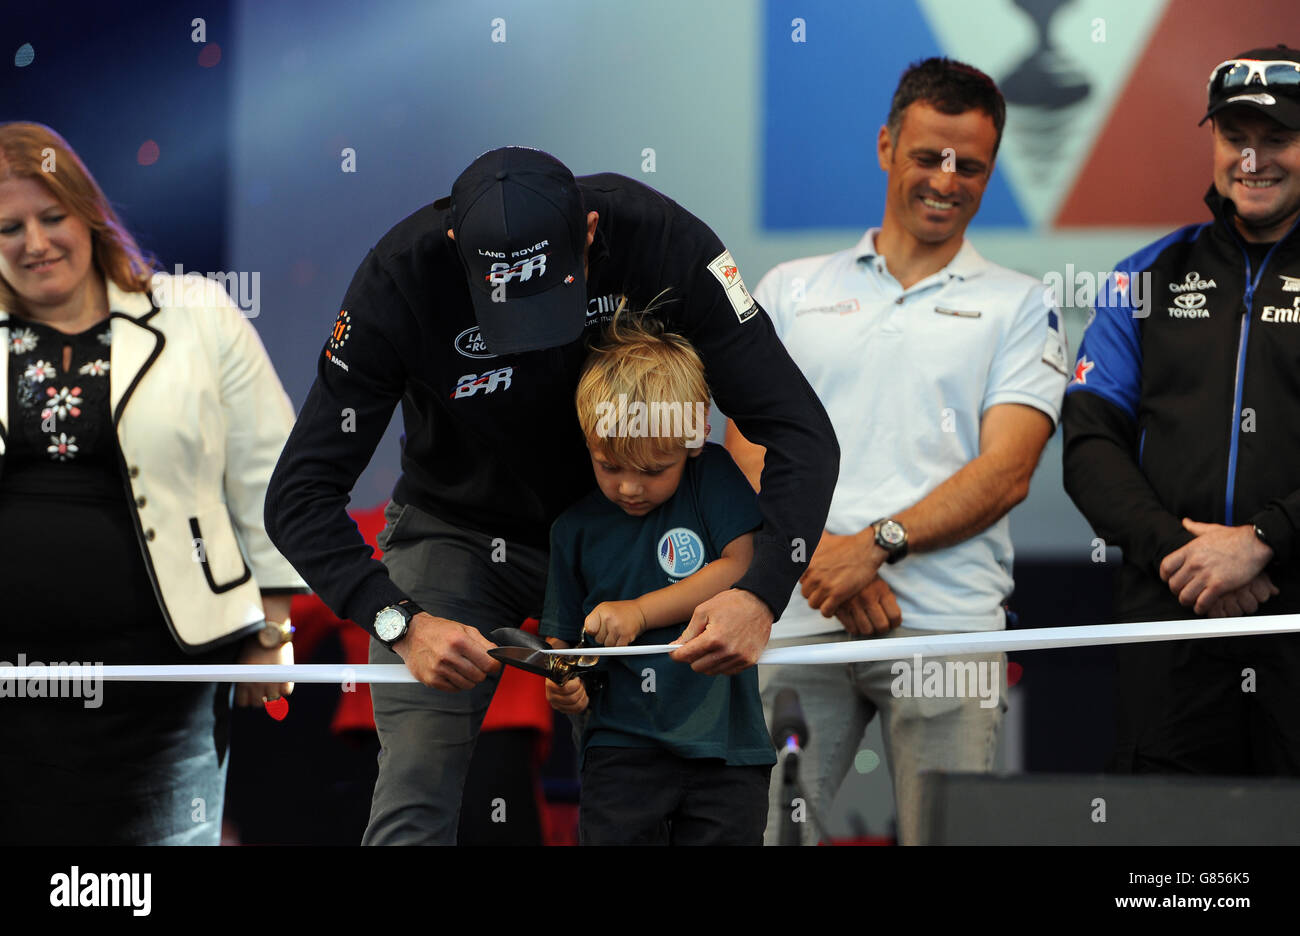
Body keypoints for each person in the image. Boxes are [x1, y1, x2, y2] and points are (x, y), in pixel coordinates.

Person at [264, 146, 838, 845]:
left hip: (629, 539)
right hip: (457, 536)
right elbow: (297, 495)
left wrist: (762, 592)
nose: (533, 338)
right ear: (456, 249)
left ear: (591, 231)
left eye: (552, 301)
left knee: (649, 781)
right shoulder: (399, 280)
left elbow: (802, 433)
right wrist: (399, 623)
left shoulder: (665, 244)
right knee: (416, 783)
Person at [726, 58, 1067, 845]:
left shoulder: (1021, 303)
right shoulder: (790, 289)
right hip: (796, 618)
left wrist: (873, 548)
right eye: (928, 156)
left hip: (947, 630)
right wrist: (824, 562)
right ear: (886, 146)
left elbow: (1008, 469)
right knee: (767, 839)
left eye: (970, 165)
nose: (947, 180)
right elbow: (743, 442)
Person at [0, 122, 305, 845]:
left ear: (90, 215)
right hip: (10, 687)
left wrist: (273, 626)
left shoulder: (199, 313)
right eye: (8, 227)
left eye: (51, 218)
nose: (34, 244)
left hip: (167, 684)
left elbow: (270, 474)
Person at [1062, 45, 1300, 776]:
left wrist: (1265, 538)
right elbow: (1089, 446)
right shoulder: (1147, 275)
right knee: (1176, 871)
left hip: (1297, 615)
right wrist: (1183, 555)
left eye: (1278, 138)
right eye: (1234, 136)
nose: (1251, 158)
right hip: (1172, 624)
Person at [540, 301, 771, 845]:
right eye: (609, 465)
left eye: (652, 470)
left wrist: (639, 613)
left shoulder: (711, 474)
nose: (628, 487)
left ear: (694, 440)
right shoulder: (571, 528)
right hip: (619, 749)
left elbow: (741, 565)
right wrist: (564, 680)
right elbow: (561, 635)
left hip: (727, 748)